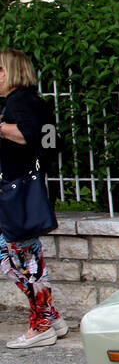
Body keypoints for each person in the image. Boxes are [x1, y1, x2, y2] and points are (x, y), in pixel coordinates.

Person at [0, 49, 65, 348]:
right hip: (25, 189)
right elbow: (52, 143)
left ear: (12, 72)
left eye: (0, 70)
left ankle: (41, 324)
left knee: (22, 259)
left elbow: (26, 135)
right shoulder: (36, 102)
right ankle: (51, 317)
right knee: (25, 256)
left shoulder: (18, 102)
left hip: (15, 191)